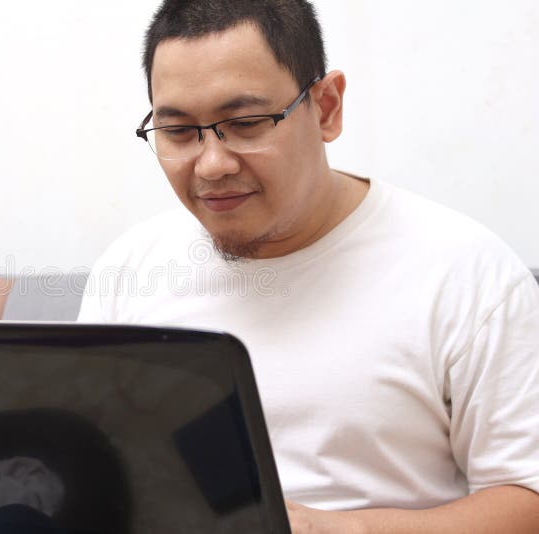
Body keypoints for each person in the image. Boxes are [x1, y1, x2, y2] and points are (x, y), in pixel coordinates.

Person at [77, 0, 539, 532]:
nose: (212, 164)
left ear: (326, 107)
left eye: (247, 123)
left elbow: (527, 495)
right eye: (178, 132)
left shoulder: (465, 273)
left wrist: (341, 530)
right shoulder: (130, 268)